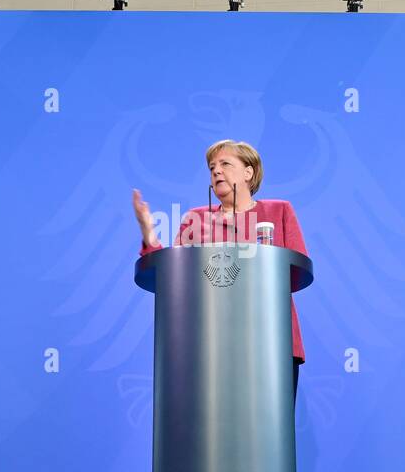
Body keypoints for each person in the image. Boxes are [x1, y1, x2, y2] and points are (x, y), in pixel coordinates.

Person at [132, 139, 308, 397]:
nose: (216, 171)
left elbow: (296, 269)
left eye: (225, 164)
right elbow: (173, 276)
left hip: (272, 340)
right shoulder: (196, 218)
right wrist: (149, 232)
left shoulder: (279, 211)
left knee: (270, 433)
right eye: (212, 167)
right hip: (211, 344)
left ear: (249, 172)